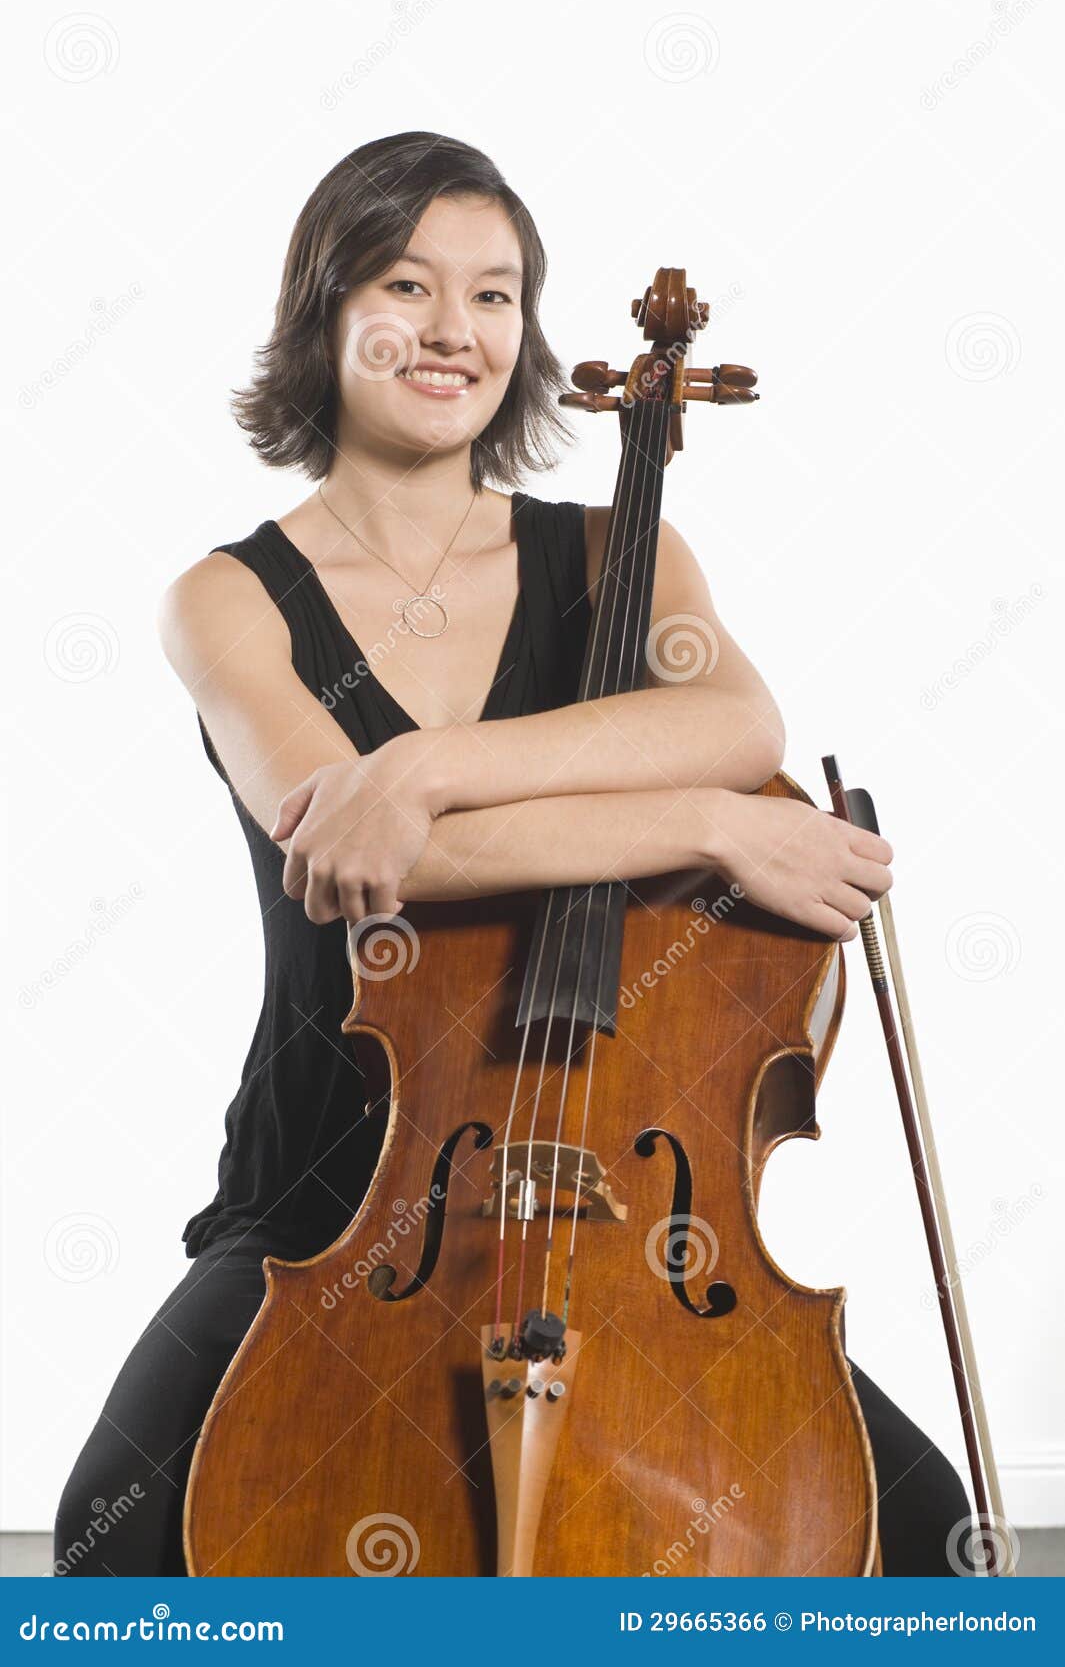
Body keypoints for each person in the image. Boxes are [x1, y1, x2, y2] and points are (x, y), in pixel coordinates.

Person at [54, 131, 969, 1577]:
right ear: (323, 311)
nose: (452, 331)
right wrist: (712, 823)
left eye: (494, 295)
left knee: (942, 1552)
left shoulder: (625, 556)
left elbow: (739, 720)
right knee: (110, 1557)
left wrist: (418, 769)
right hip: (333, 1199)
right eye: (406, 284)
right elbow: (346, 850)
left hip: (636, 1225)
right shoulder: (226, 599)